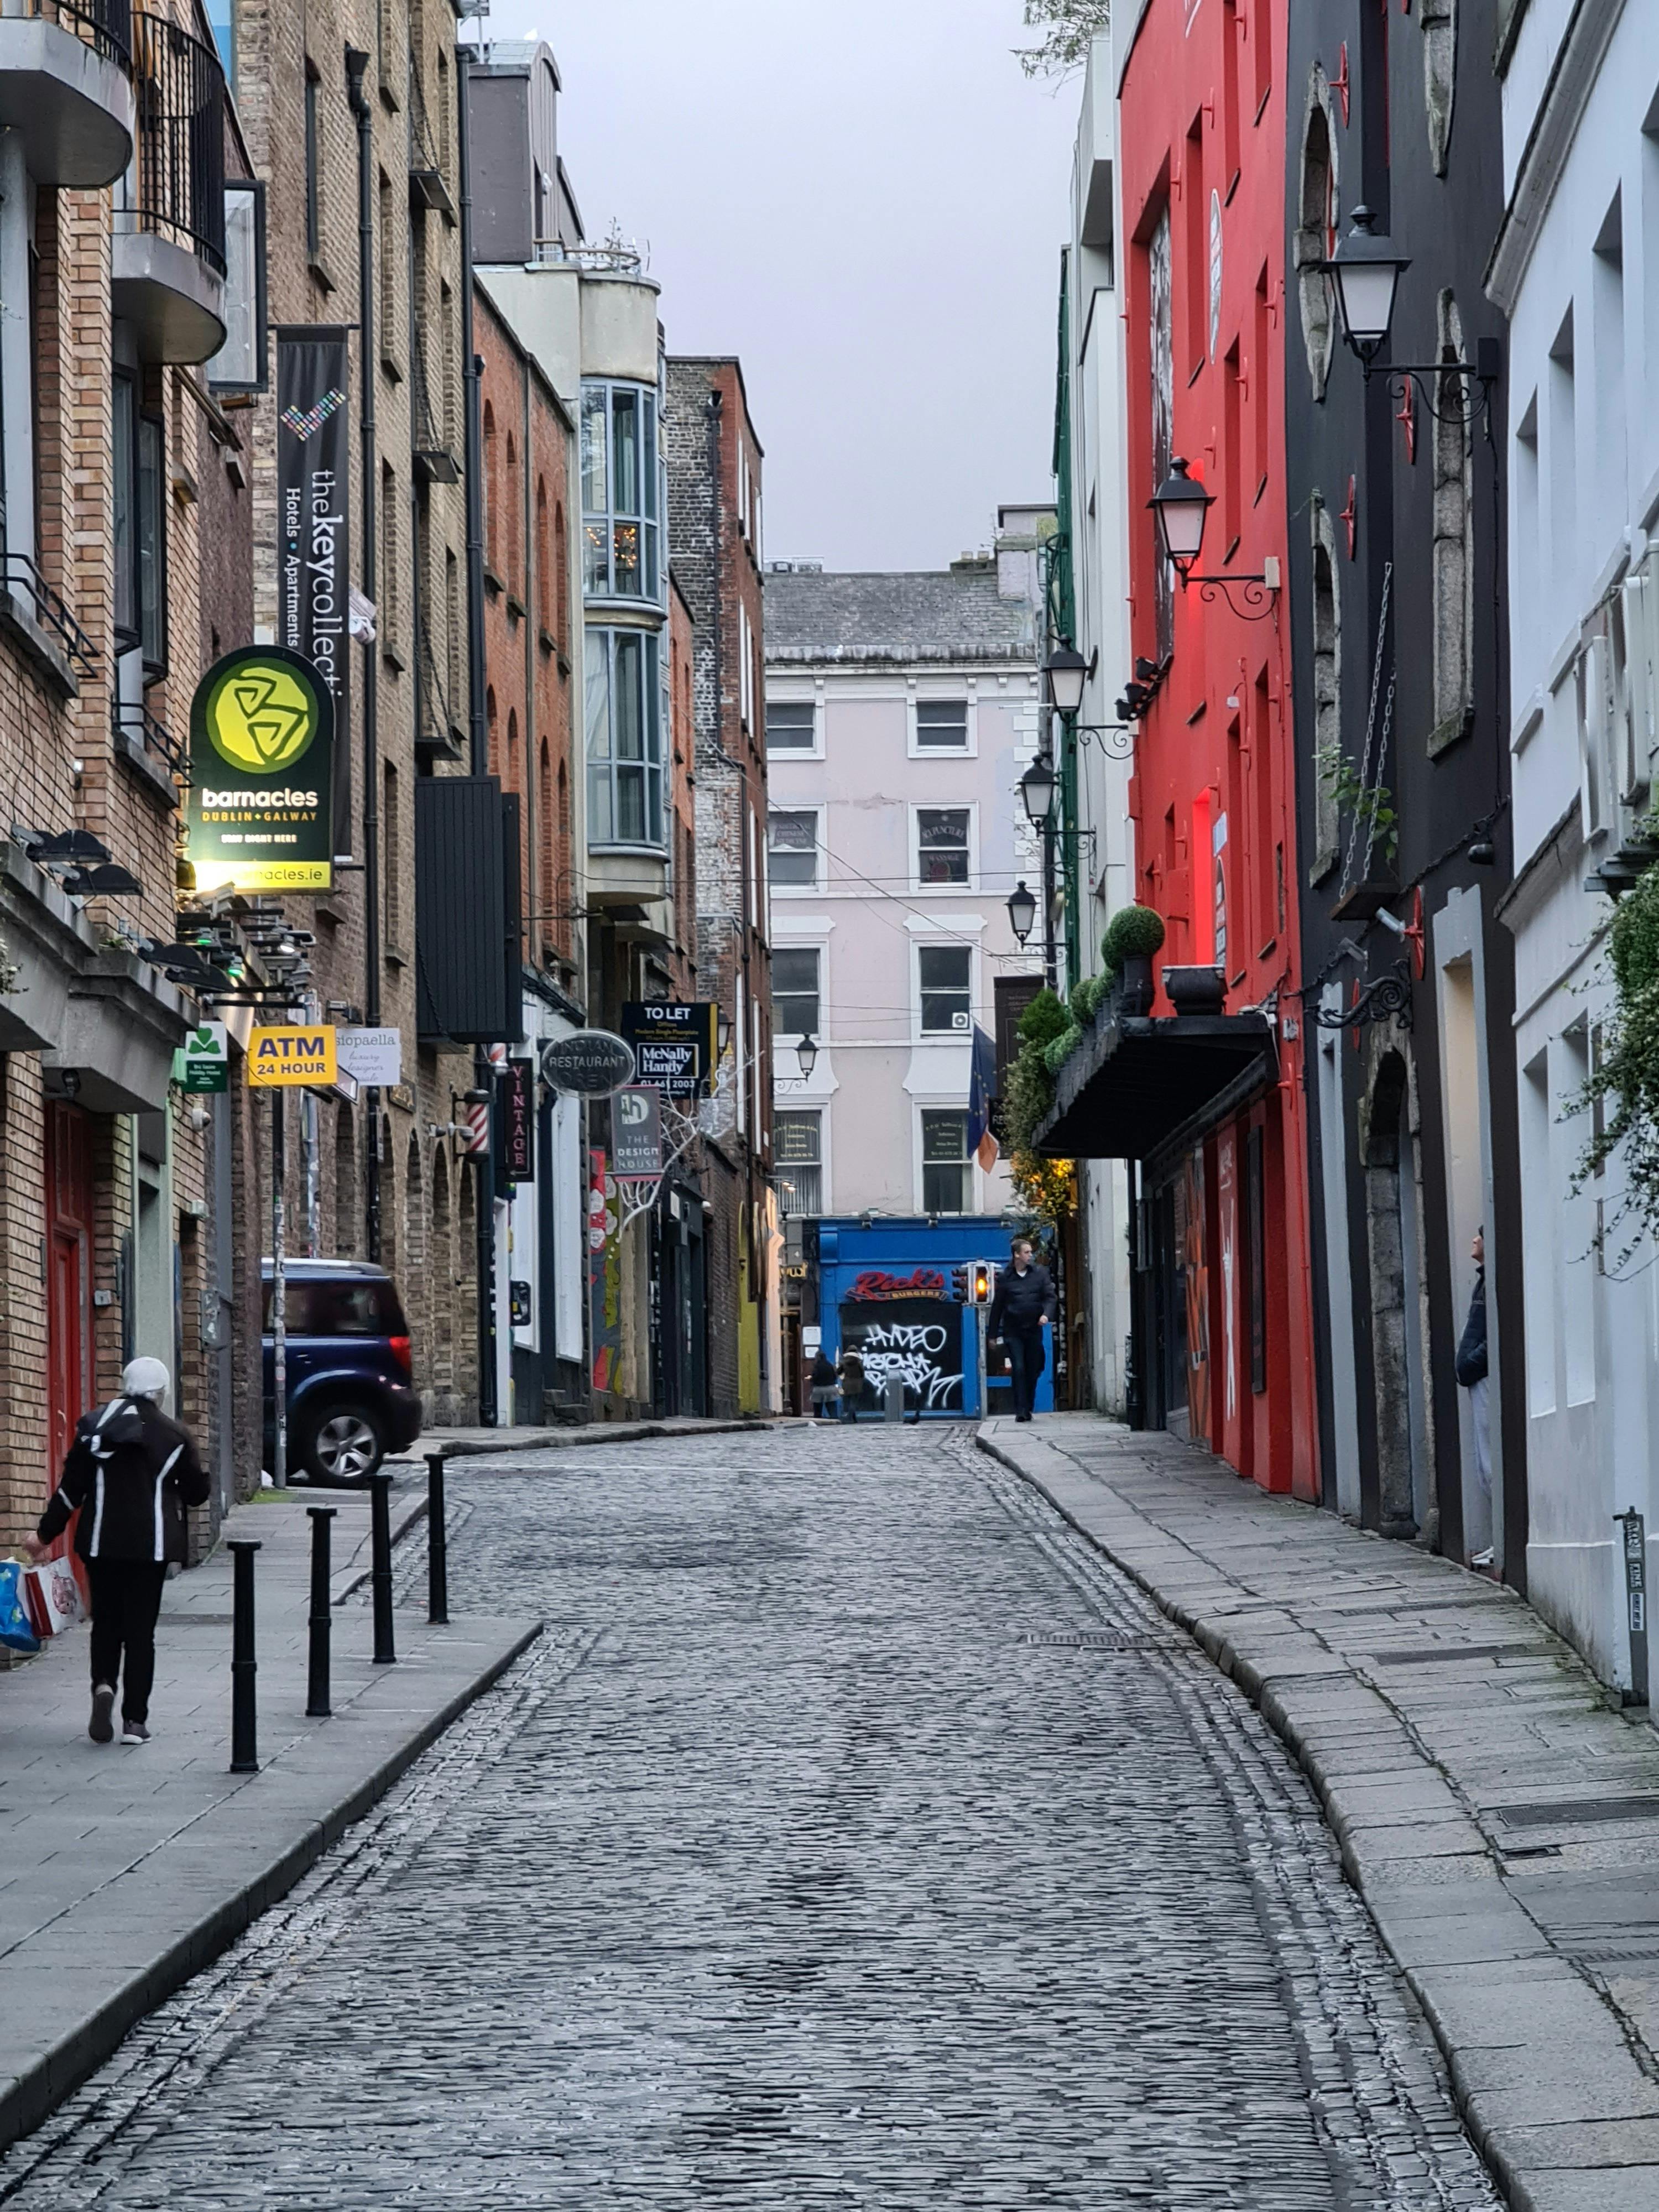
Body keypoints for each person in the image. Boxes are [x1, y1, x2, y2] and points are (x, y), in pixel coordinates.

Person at [25, 1358, 208, 1745]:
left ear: (125, 1384)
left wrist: (43, 1536)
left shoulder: (94, 1426)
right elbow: (197, 1493)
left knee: (106, 1623)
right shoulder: (174, 1435)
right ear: (162, 1391)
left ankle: (103, 1686)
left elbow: (70, 1489)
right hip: (151, 1547)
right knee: (141, 1633)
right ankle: (135, 1722)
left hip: (100, 1544)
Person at [1455, 1227, 1493, 1569]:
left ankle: (1500, 1539)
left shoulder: (1491, 1280)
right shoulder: (1484, 1279)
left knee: (1491, 1459)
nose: (1474, 1240)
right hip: (1476, 1376)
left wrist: (1472, 1362)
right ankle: (1498, 1539)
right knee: (1483, 1462)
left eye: (1479, 1236)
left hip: (1482, 1376)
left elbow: (1493, 1330)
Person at [988, 1236, 1057, 1422]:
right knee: (1018, 1368)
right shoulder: (1005, 1278)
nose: (1030, 1255)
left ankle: (1028, 1404)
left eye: (1031, 1252)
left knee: (1033, 1368)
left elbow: (1050, 1297)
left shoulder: (1039, 1274)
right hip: (1013, 1331)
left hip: (1033, 1329)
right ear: (1017, 1255)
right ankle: (1020, 1409)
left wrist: (1046, 1315)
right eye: (1027, 1252)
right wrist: (992, 1336)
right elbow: (998, 1307)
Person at [808, 1346, 840, 1419]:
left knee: (817, 1408)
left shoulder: (817, 1366)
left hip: (818, 1389)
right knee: (832, 1407)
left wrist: (811, 1379)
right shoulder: (830, 1365)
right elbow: (835, 1376)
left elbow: (815, 1377)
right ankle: (835, 1419)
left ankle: (818, 1419)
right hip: (831, 1388)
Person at [837, 1346, 865, 1423]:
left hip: (847, 1383)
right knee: (854, 1401)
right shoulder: (858, 1362)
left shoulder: (844, 1362)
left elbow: (839, 1372)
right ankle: (851, 1418)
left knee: (847, 1401)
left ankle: (852, 1418)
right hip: (857, 1384)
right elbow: (862, 1373)